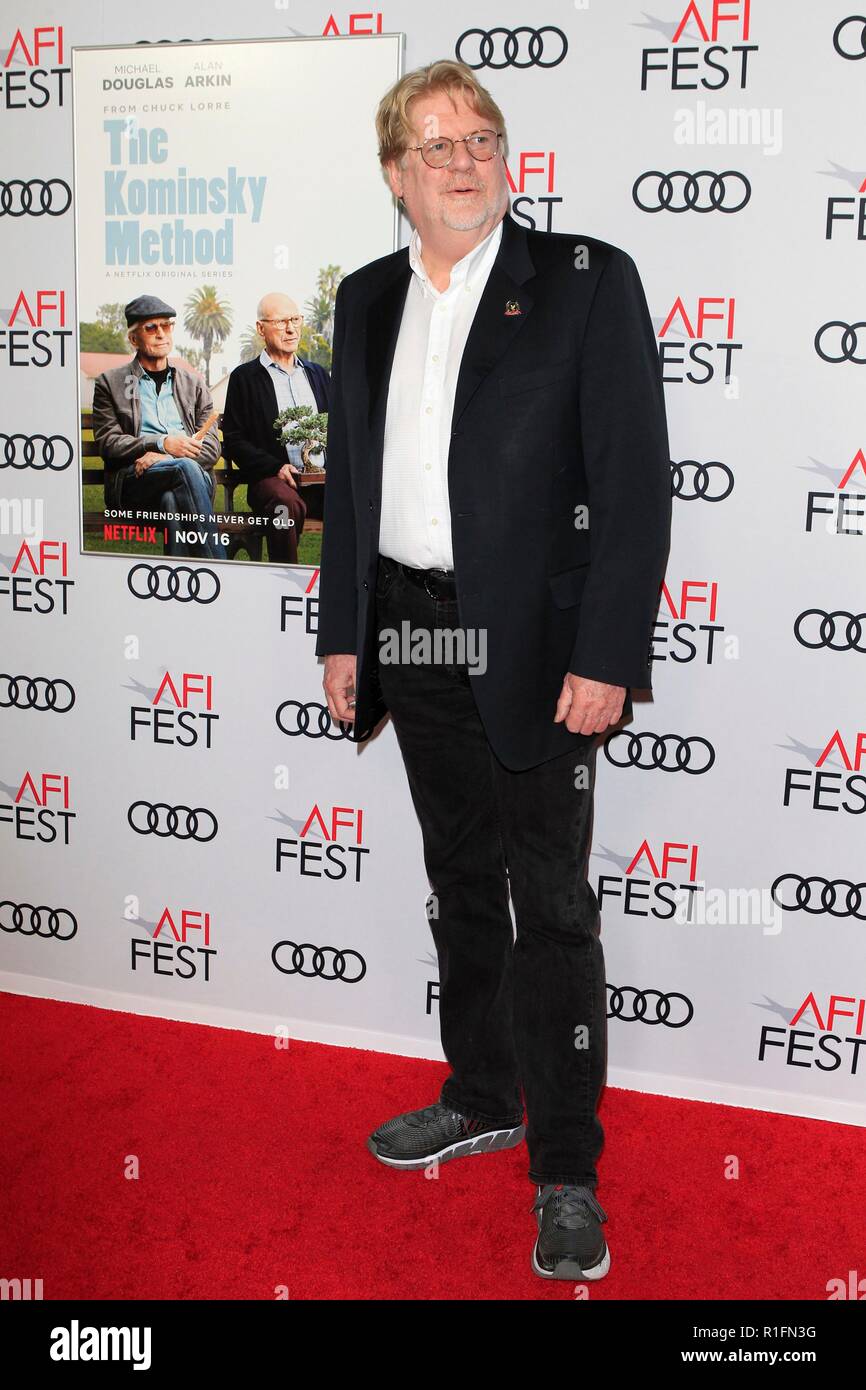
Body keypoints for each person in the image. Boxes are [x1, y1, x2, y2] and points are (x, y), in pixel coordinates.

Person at [315, 59, 671, 1282]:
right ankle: (480, 1094)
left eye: (481, 137)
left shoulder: (581, 282)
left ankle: (564, 1166)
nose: (463, 160)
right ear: (394, 176)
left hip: (534, 644)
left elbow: (632, 488)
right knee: (458, 881)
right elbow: (352, 487)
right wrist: (344, 633)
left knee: (552, 907)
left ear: (503, 157)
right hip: (412, 632)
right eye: (434, 144)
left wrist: (606, 654)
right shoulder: (361, 301)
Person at [91, 295, 222, 561]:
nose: (161, 334)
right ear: (134, 339)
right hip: (135, 483)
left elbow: (211, 446)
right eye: (151, 328)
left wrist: (167, 457)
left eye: (166, 325)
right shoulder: (111, 383)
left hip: (189, 481)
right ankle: (220, 568)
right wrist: (159, 443)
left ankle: (176, 580)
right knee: (184, 469)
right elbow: (109, 443)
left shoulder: (193, 383)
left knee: (172, 500)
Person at [221, 294, 331, 563]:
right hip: (271, 482)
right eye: (281, 322)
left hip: (322, 481)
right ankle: (285, 581)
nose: (291, 328)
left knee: (360, 501)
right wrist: (275, 467)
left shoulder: (317, 374)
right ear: (261, 329)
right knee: (285, 506)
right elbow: (234, 439)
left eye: (295, 319)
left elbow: (336, 427)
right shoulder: (244, 378)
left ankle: (344, 590)